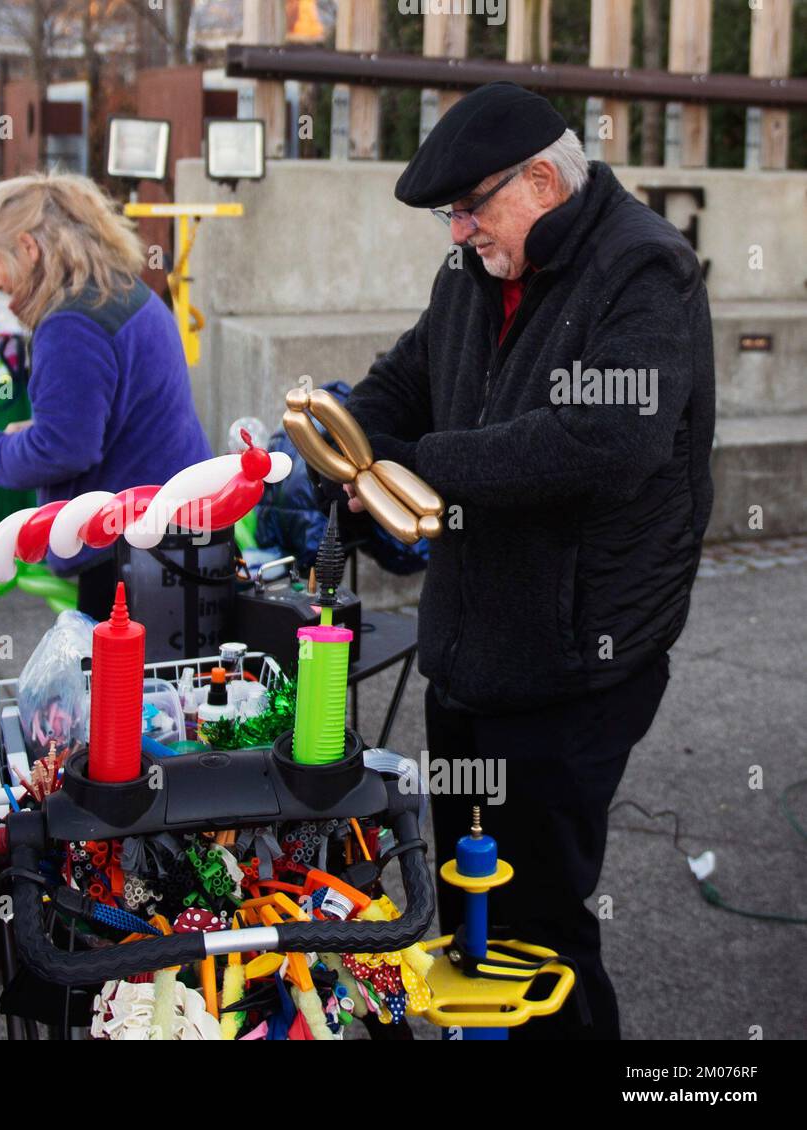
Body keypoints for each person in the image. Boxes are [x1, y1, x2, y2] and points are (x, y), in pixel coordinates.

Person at [338, 82, 715, 1039]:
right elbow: (408, 380)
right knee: (471, 902)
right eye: (448, 213)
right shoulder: (475, 269)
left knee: (538, 924)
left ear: (542, 180)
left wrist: (417, 463)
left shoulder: (644, 268)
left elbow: (601, 439)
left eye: (470, 207)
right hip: (470, 655)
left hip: (575, 666)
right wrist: (349, 441)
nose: (457, 230)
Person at [0, 170, 212, 581]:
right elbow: (113, 415)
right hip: (174, 526)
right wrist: (36, 429)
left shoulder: (70, 324)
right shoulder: (121, 290)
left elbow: (63, 449)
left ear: (28, 247)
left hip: (129, 548)